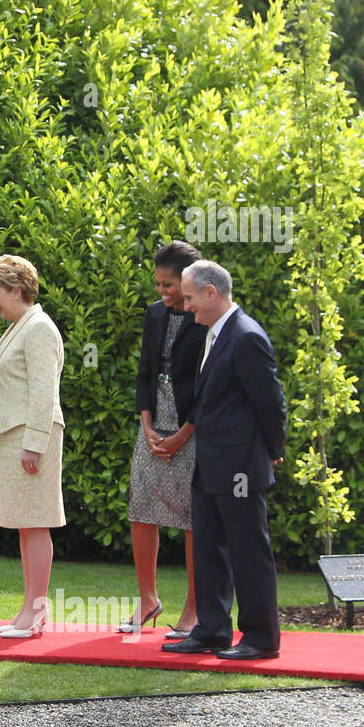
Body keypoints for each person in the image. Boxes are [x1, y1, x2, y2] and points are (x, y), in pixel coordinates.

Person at [162, 260, 286, 660]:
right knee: (209, 550)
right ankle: (212, 630)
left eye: (191, 297)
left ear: (212, 293)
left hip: (240, 469)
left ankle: (261, 638)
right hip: (211, 463)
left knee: (248, 551)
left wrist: (274, 450)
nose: (187, 305)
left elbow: (271, 403)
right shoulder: (216, 334)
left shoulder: (246, 336)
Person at [0, 255, 65, 638]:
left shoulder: (39, 327)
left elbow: (45, 393)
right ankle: (27, 612)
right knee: (24, 525)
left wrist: (34, 445)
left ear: (16, 289)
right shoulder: (23, 325)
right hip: (17, 434)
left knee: (35, 521)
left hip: (32, 435)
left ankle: (36, 614)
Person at [121, 241, 207, 636]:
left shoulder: (204, 316)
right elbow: (144, 373)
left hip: (193, 427)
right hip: (154, 426)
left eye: (169, 284)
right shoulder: (155, 315)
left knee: (193, 518)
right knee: (141, 509)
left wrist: (183, 433)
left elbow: (209, 385)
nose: (162, 292)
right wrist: (148, 426)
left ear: (189, 279)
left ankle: (194, 608)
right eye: (158, 284)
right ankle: (148, 601)